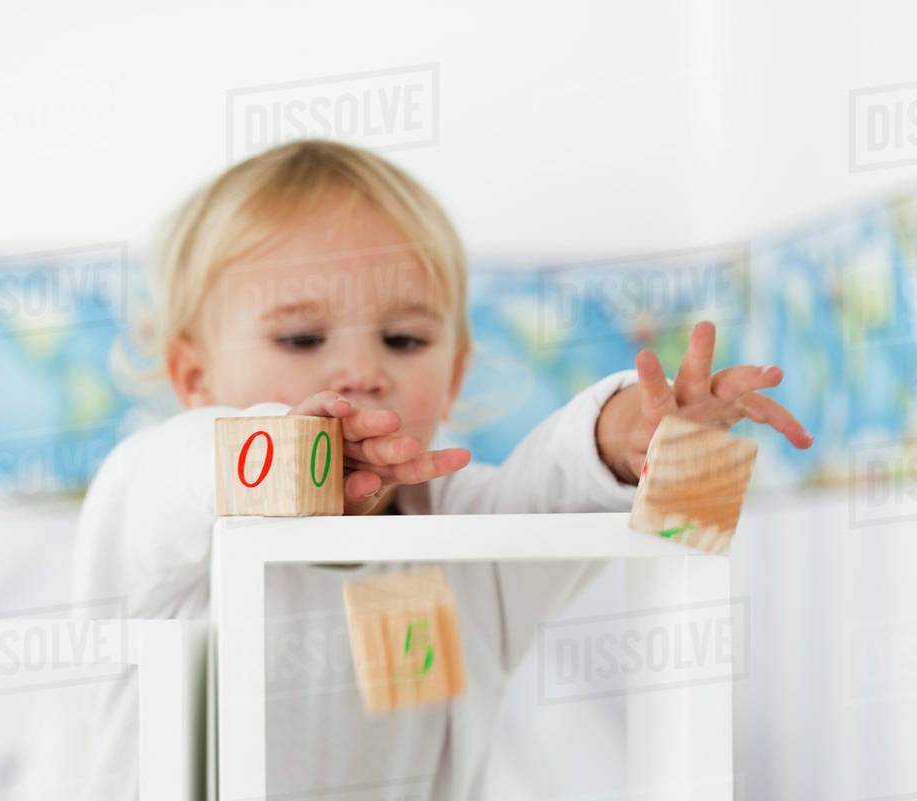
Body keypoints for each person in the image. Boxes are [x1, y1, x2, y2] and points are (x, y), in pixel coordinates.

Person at [69, 139, 812, 799]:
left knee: (685, 489)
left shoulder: (456, 534)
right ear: (193, 376)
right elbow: (173, 478)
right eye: (300, 337)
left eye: (403, 338)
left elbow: (559, 493)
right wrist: (289, 454)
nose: (360, 370)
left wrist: (642, 437)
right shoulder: (160, 516)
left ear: (454, 374)